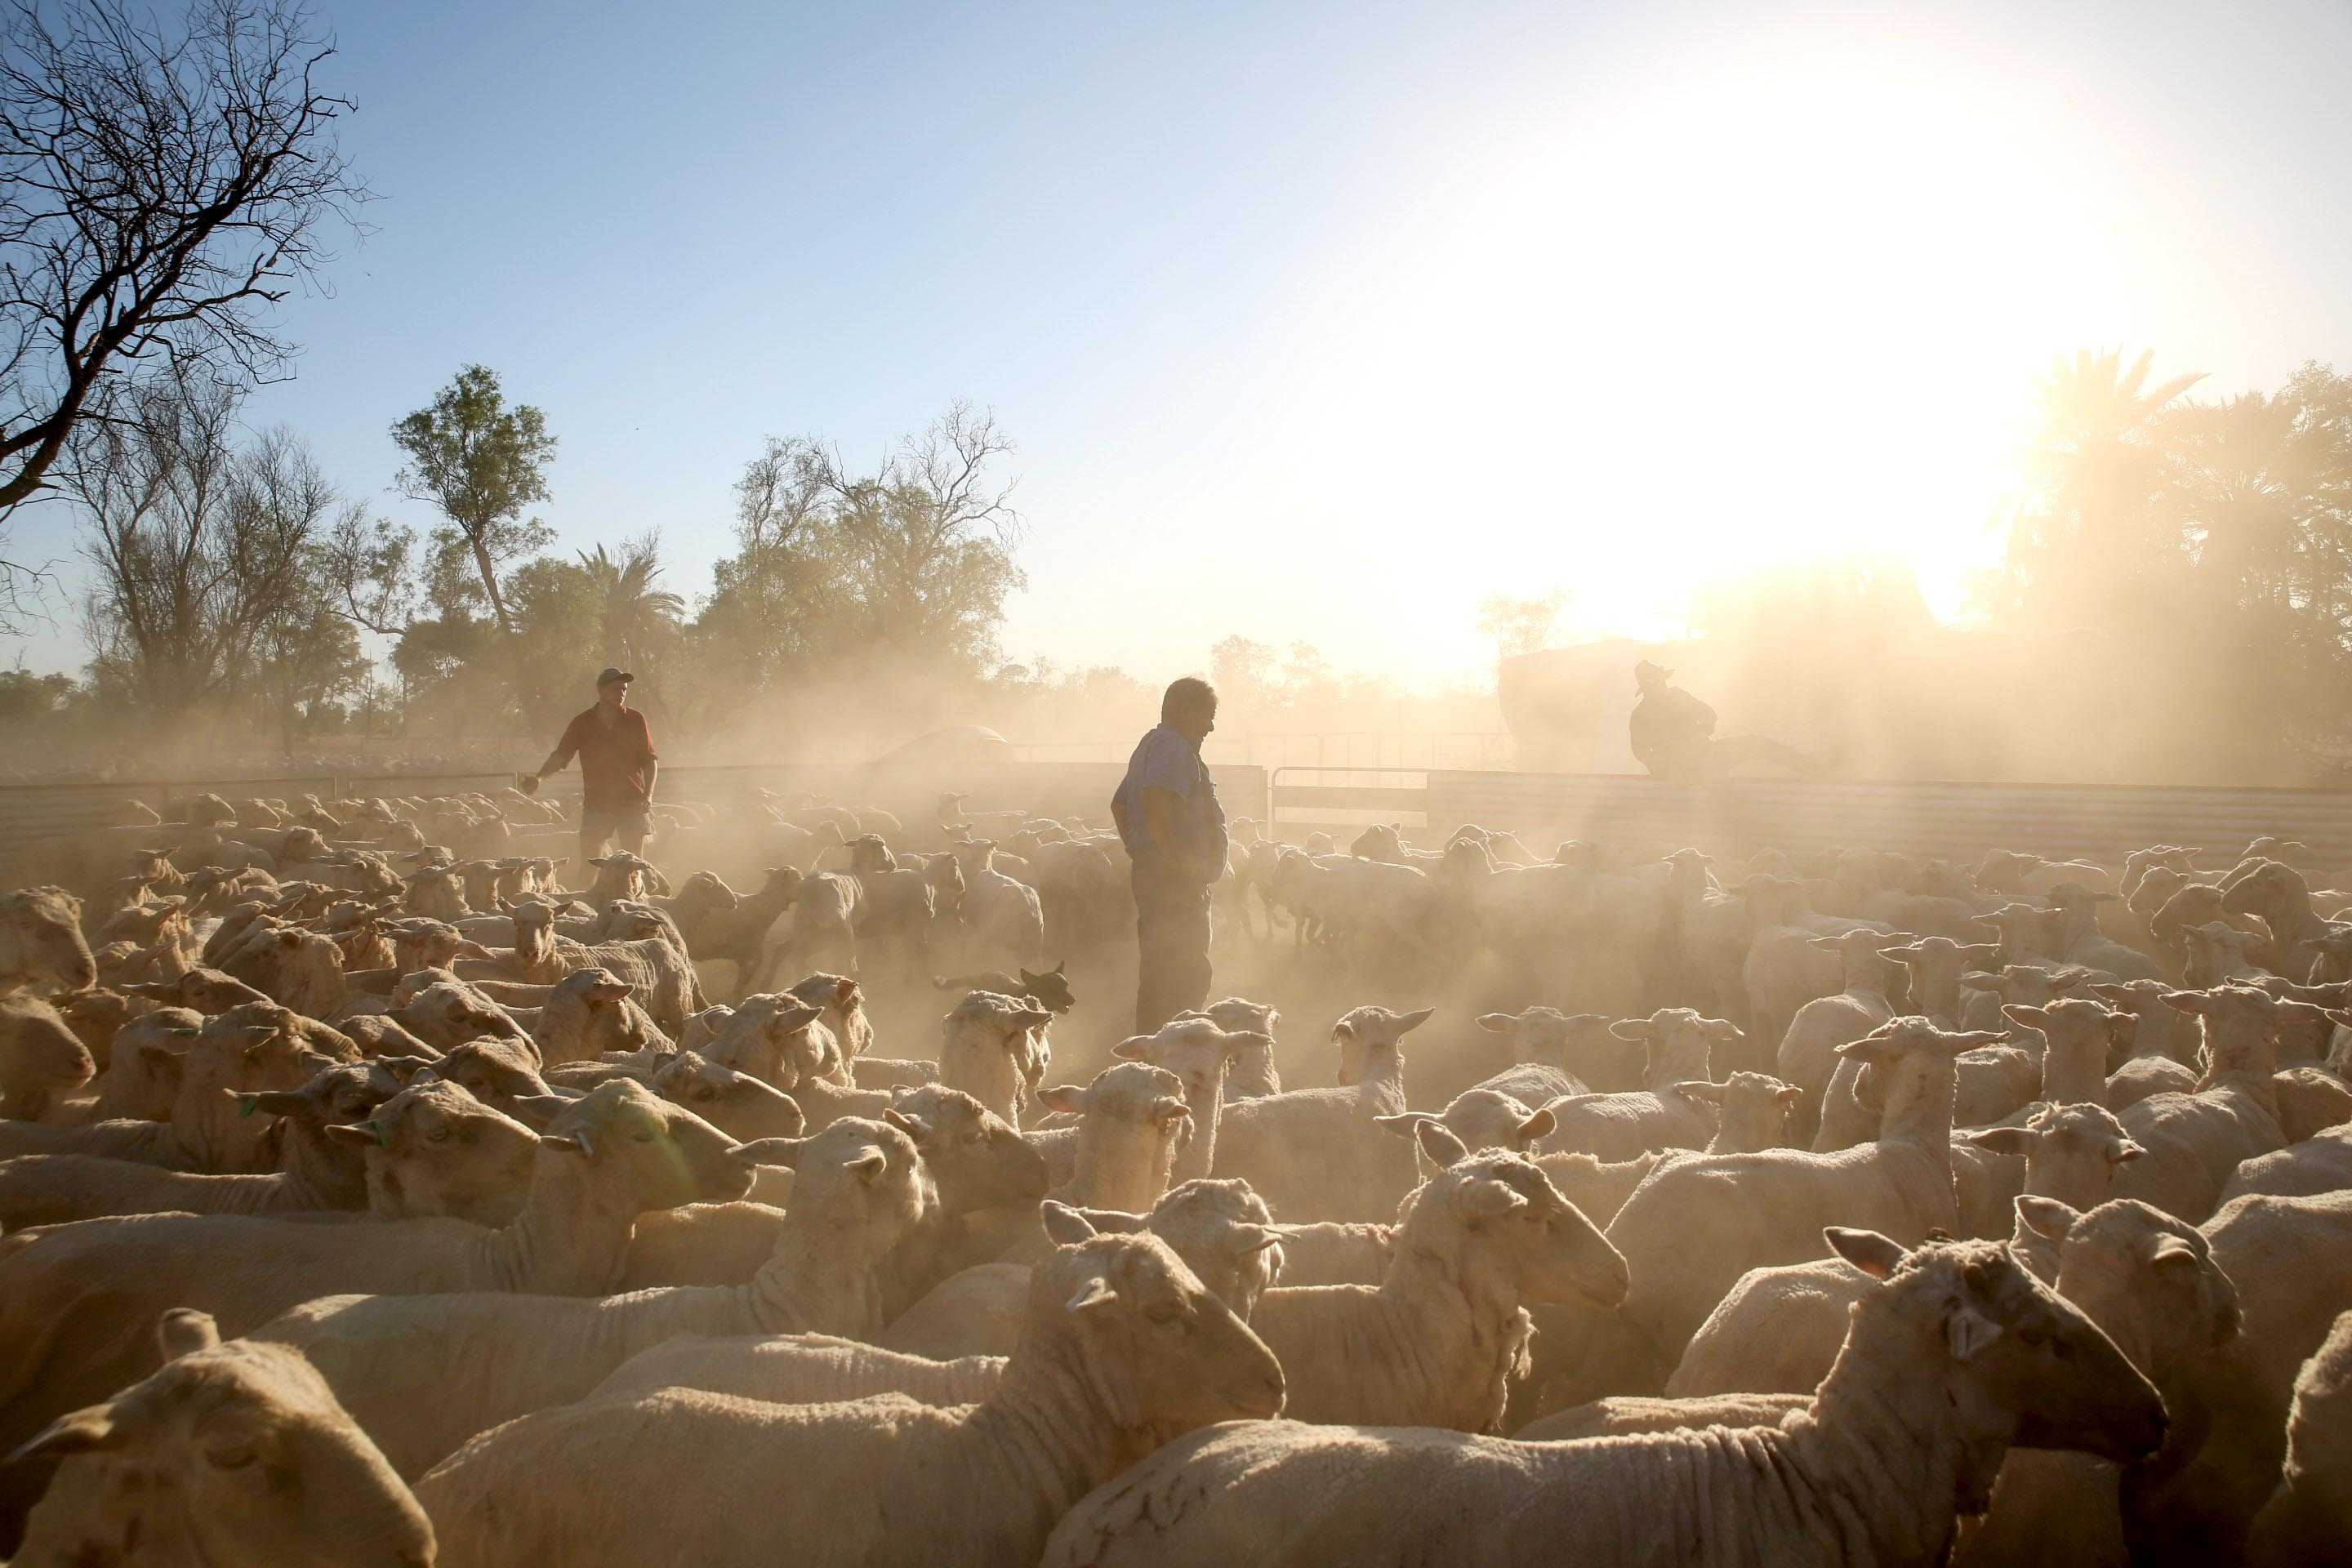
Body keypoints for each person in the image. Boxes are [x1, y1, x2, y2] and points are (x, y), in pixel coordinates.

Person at [1111, 677, 1227, 1032]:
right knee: (1185, 974)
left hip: (1156, 876)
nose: (1211, 726)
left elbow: (1119, 805)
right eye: (1208, 715)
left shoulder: (1150, 745)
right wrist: (1178, 863)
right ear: (1185, 710)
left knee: (1159, 972)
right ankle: (1181, 1054)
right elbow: (1157, 801)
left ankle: (1150, 1056)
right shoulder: (1174, 748)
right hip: (1175, 884)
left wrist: (1138, 851)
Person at [525, 667, 660, 871]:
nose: (621, 693)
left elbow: (649, 761)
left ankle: (634, 900)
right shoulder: (582, 723)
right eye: (615, 689)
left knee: (633, 867)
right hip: (598, 802)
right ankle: (590, 899)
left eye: (624, 689)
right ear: (601, 690)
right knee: (589, 866)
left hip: (632, 801)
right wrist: (540, 778)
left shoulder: (635, 720)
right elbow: (561, 755)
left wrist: (648, 794)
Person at [1628, 659, 1821, 783]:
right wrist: (1666, 769)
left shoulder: (1678, 697)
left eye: (1662, 681)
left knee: (1757, 743)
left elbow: (1707, 713)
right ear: (1649, 687)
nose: (1663, 685)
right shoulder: (1641, 716)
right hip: (1683, 771)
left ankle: (1813, 769)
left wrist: (1705, 727)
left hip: (1708, 755)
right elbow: (1641, 752)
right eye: (1658, 682)